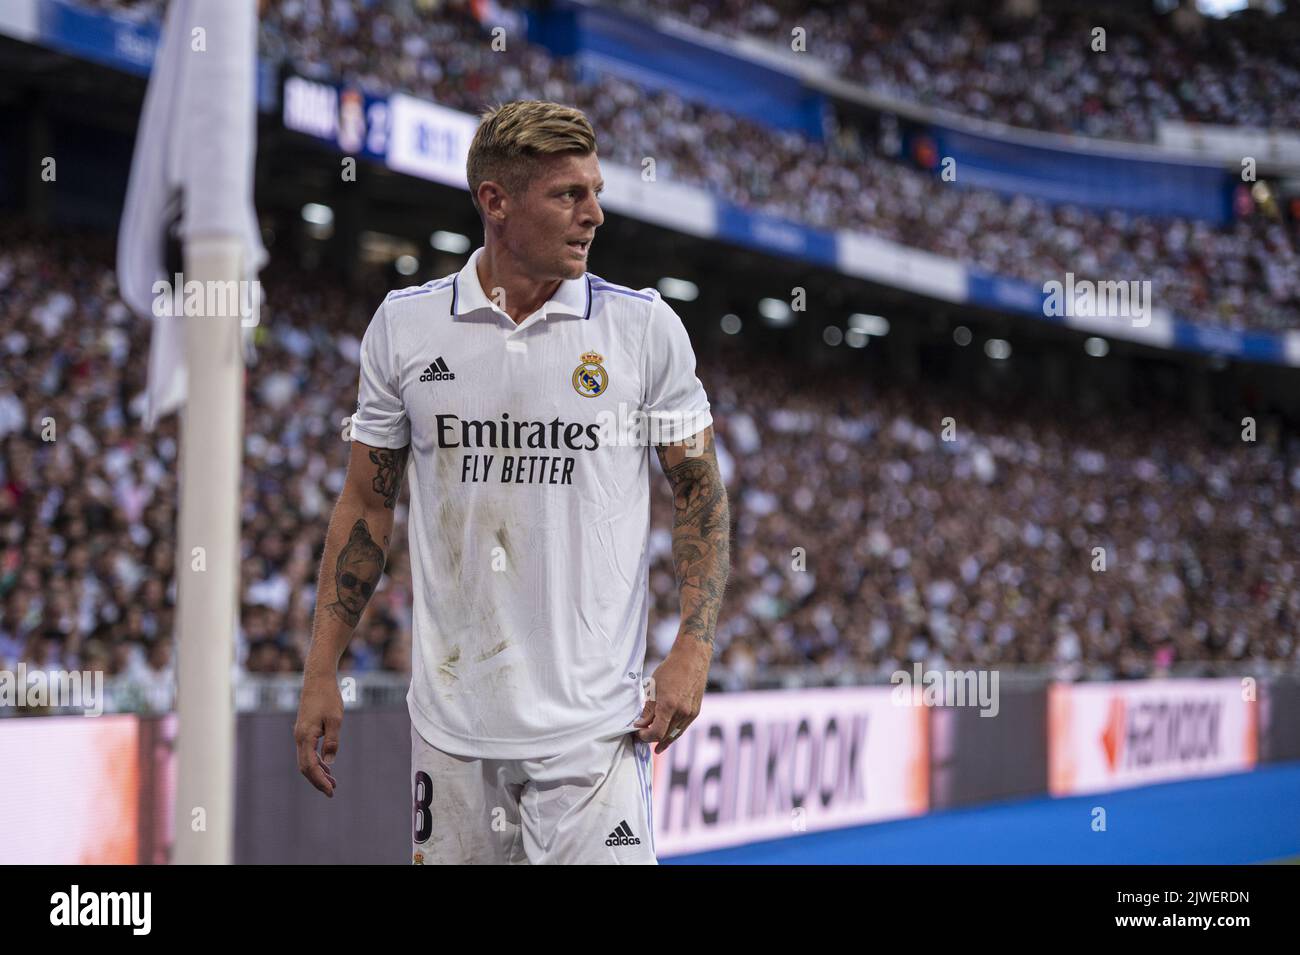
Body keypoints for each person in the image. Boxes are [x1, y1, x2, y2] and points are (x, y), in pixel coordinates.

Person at [293, 100, 730, 864]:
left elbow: (698, 490)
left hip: (594, 736)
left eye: (595, 190)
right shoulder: (406, 327)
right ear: (496, 201)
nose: (594, 213)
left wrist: (693, 648)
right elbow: (366, 501)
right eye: (569, 194)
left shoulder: (643, 329)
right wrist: (320, 668)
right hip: (452, 736)